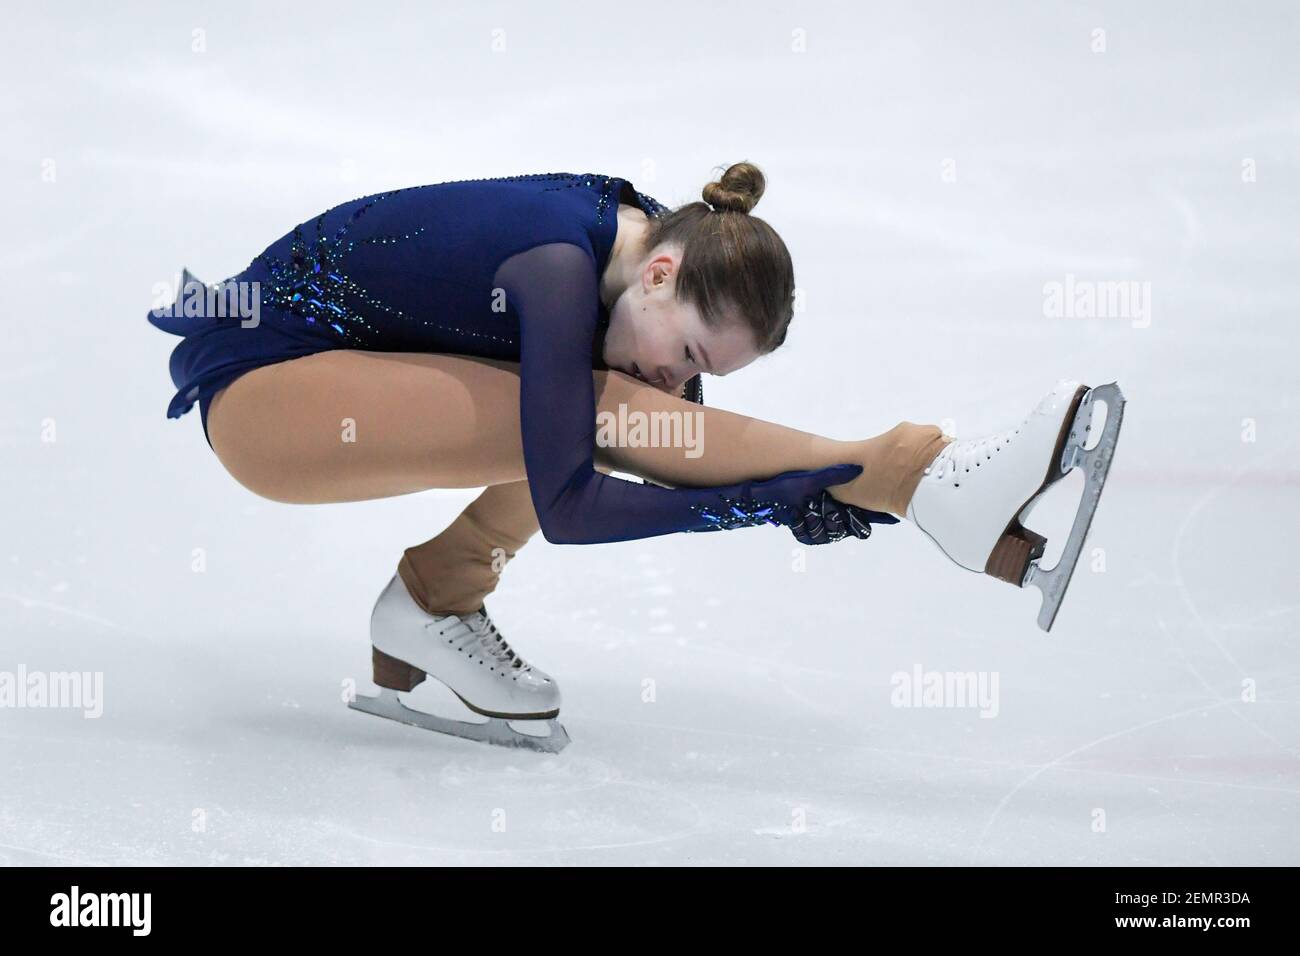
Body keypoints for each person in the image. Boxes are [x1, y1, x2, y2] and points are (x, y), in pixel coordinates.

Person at [147, 163, 1122, 751]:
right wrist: (775, 496)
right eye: (692, 352)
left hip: (355, 369)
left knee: (615, 402)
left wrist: (770, 481)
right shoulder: (558, 264)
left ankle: (438, 596)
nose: (679, 381)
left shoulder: (642, 265)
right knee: (600, 406)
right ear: (661, 273)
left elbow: (651, 439)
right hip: (268, 397)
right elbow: (571, 501)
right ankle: (915, 470)